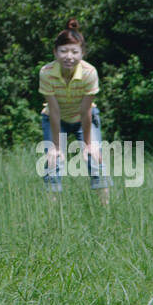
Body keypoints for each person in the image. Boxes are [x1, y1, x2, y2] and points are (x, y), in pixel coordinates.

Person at [39, 18, 111, 206]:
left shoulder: (89, 73)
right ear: (55, 52)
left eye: (74, 51)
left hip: (83, 118)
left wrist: (88, 144)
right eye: (63, 51)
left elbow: (85, 109)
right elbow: (53, 110)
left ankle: (105, 208)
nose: (68, 56)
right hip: (55, 119)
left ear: (82, 53)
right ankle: (52, 210)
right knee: (53, 161)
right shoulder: (46, 73)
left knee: (94, 157)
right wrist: (55, 146)